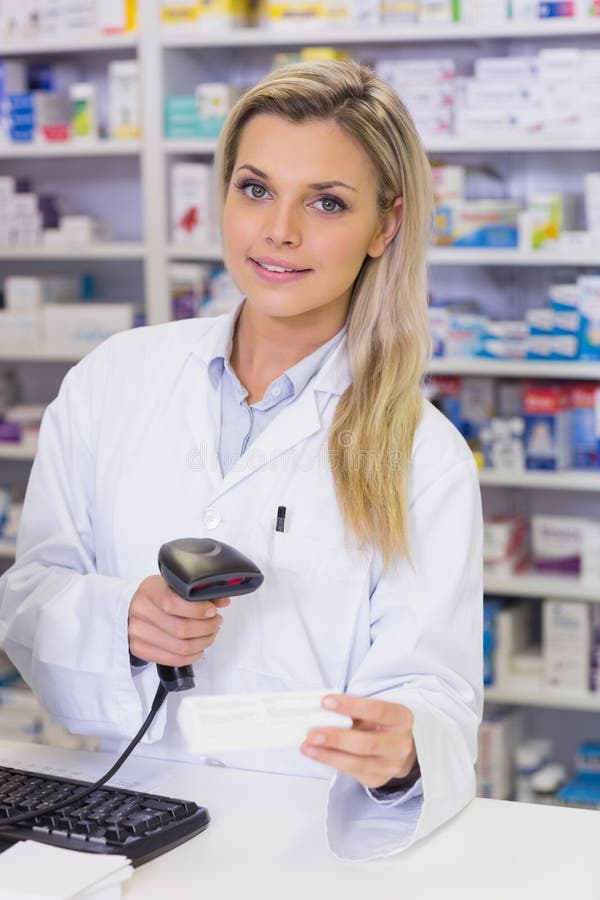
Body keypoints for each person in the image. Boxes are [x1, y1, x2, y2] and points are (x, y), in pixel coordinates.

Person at [0, 59, 483, 861]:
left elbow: (431, 692)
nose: (279, 232)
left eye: (326, 202)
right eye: (256, 188)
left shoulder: (421, 454)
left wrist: (401, 756)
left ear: (385, 226)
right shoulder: (113, 380)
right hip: (107, 824)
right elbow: (28, 598)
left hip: (304, 844)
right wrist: (123, 620)